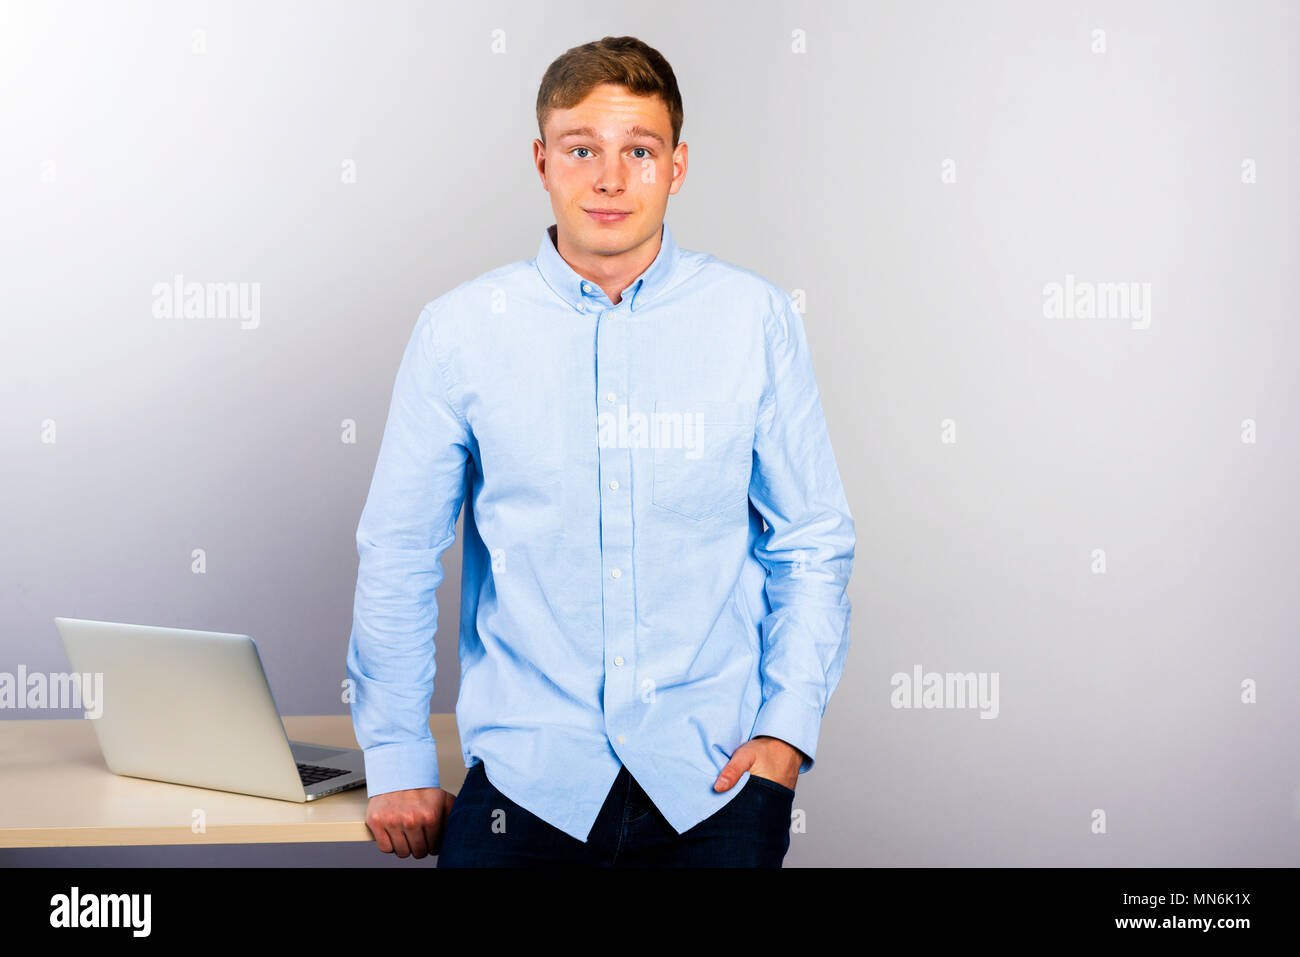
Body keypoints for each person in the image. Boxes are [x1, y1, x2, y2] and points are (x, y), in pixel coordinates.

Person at [346, 35, 854, 867]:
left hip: (715, 788)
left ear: (678, 166)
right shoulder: (461, 332)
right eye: (582, 149)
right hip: (525, 782)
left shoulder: (753, 319)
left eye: (639, 152)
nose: (610, 179)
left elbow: (813, 539)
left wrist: (785, 735)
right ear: (542, 160)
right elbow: (399, 550)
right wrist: (398, 758)